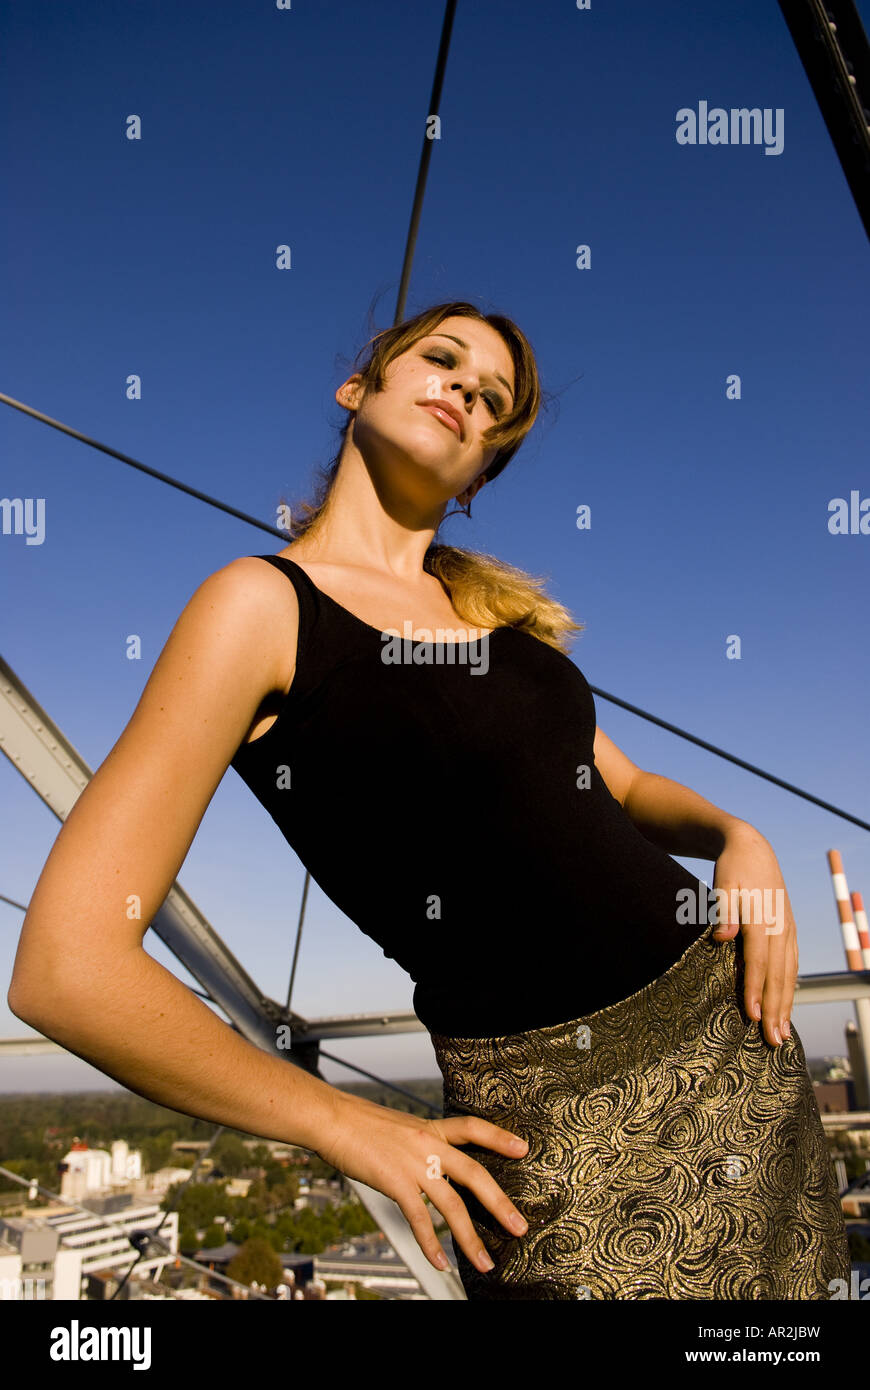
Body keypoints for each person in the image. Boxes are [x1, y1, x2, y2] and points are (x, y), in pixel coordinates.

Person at [8, 299, 850, 1301]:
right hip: (554, 1125)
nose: (464, 390)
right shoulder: (261, 608)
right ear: (357, 389)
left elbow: (622, 788)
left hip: (735, 1039)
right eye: (442, 360)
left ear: (482, 472)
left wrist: (736, 835)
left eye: (492, 400)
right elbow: (67, 966)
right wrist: (339, 1121)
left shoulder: (500, 622)